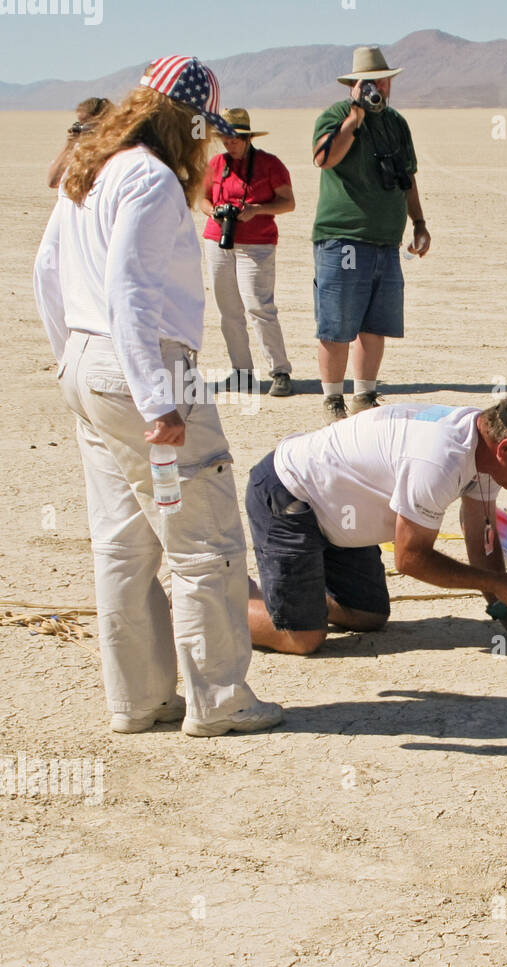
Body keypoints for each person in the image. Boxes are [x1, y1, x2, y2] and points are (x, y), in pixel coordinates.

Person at [33, 56, 283, 737]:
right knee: (205, 539)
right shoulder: (148, 178)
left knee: (123, 543)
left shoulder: (90, 167)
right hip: (145, 370)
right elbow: (133, 292)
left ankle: (139, 700)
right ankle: (221, 699)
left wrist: (71, 361)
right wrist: (154, 398)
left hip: (90, 365)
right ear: (186, 121)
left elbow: (47, 270)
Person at [246, 396, 507, 656]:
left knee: (368, 615)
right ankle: (211, 605)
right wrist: (501, 584)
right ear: (506, 449)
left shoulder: (486, 449)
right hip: (289, 496)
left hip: (337, 516)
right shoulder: (439, 460)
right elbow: (411, 559)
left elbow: (480, 539)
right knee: (303, 638)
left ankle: (289, 598)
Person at [311, 45, 430, 424]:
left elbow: (407, 175)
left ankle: (365, 395)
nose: (380, 88)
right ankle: (333, 400)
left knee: (375, 322)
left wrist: (419, 222)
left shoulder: (396, 123)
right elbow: (323, 158)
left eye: (384, 81)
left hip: (385, 239)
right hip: (343, 237)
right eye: (371, 83)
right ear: (355, 85)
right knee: (337, 322)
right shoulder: (336, 116)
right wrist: (353, 120)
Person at [198, 108, 295, 396]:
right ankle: (241, 372)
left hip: (257, 244)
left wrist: (256, 210)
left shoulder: (269, 164)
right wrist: (214, 212)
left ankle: (280, 371)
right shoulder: (216, 163)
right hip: (218, 241)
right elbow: (201, 198)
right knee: (229, 311)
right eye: (226, 139)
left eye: (235, 139)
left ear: (248, 137)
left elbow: (288, 202)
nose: (230, 144)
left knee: (259, 307)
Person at [46, 96, 113, 189]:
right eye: (79, 123)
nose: (82, 128)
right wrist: (68, 146)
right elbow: (52, 182)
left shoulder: (113, 150)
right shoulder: (76, 149)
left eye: (87, 123)